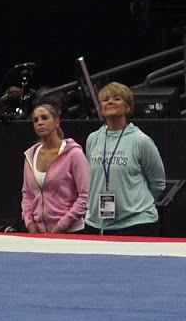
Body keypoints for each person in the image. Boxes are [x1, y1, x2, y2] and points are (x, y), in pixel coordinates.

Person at [83, 82, 166, 236]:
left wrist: (137, 206)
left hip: (136, 224)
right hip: (97, 224)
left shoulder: (140, 140)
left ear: (128, 107)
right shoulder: (93, 139)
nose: (110, 102)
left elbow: (158, 183)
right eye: (106, 99)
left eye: (117, 98)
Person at [20, 103, 88, 234]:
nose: (40, 123)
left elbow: (85, 196)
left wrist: (61, 226)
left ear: (57, 122)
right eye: (35, 120)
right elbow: (27, 194)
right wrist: (30, 224)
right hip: (38, 232)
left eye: (44, 118)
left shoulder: (74, 154)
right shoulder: (30, 155)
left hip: (70, 231)